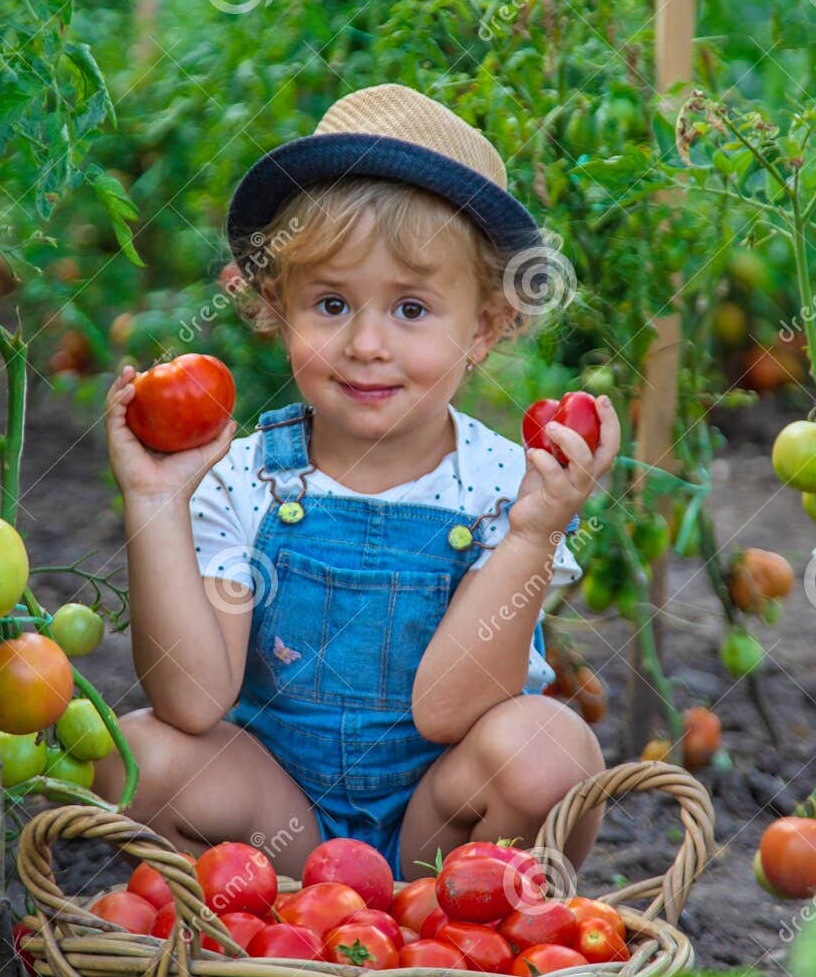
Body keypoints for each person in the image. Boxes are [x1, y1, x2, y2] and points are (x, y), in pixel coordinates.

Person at [99, 83, 620, 882]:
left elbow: (448, 709)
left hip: (438, 835)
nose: (367, 343)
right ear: (277, 307)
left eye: (412, 309)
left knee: (550, 748)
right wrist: (156, 502)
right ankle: (258, 935)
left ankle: (455, 931)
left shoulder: (505, 486)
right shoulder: (248, 479)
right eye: (332, 303)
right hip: (284, 826)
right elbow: (193, 701)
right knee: (133, 757)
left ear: (483, 326)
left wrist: (533, 532)